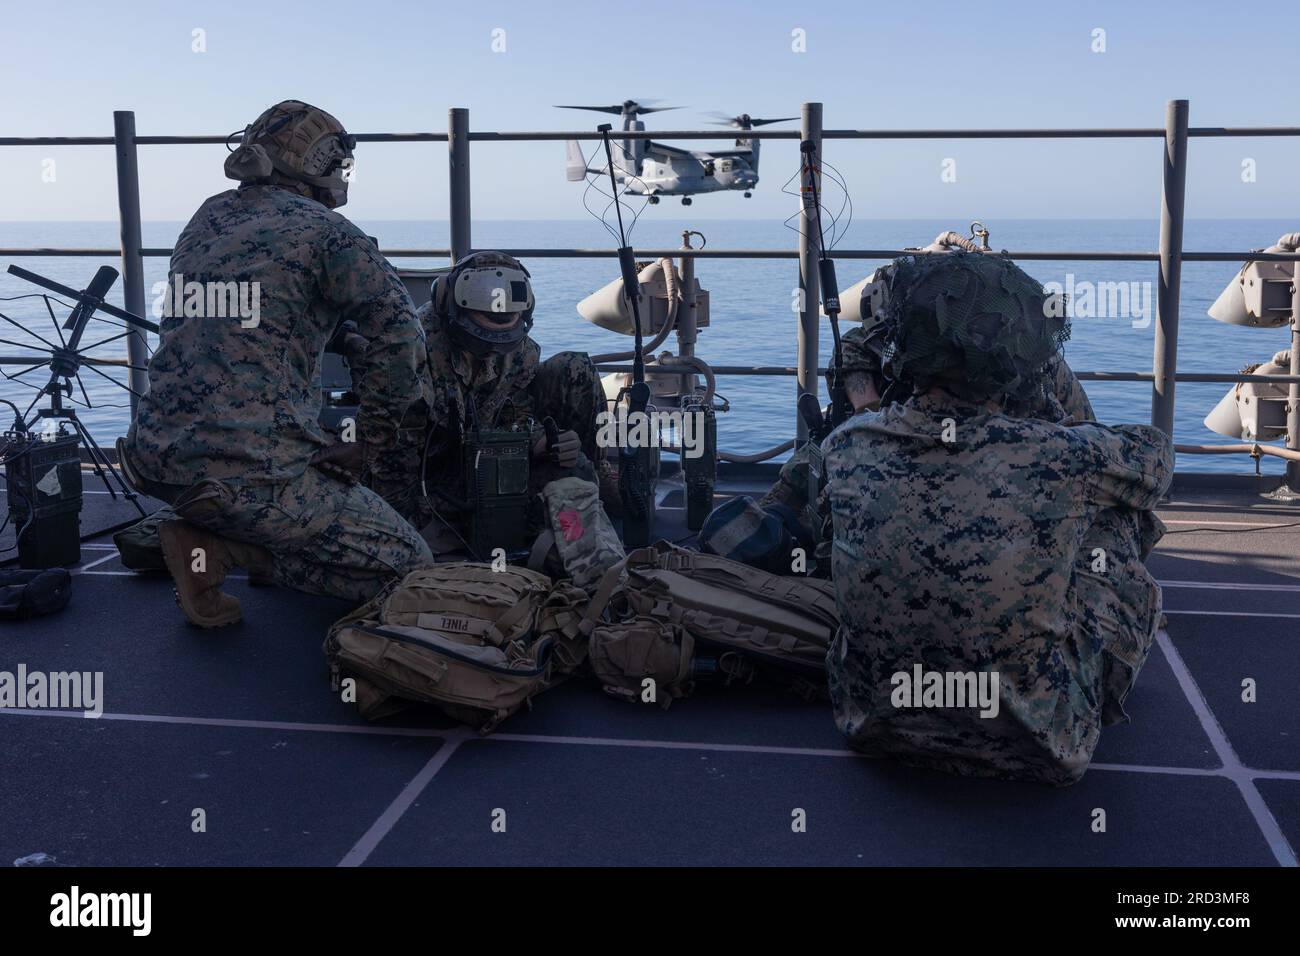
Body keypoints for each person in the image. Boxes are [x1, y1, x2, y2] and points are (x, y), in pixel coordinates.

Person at [824, 252, 1173, 785]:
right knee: (1118, 522)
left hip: (874, 724)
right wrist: (1053, 416)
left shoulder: (846, 446)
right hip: (1039, 746)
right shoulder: (1061, 457)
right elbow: (1155, 463)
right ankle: (1076, 694)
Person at [122, 100, 432, 628]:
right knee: (410, 567)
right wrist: (370, 442)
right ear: (322, 165)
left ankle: (207, 528)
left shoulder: (209, 216)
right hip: (254, 472)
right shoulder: (331, 232)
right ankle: (227, 551)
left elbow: (254, 324)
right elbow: (403, 341)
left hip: (155, 456)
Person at [368, 251, 607, 555]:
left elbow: (516, 408)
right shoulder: (412, 350)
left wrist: (539, 441)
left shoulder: (521, 351)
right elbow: (391, 452)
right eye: (483, 333)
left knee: (576, 367)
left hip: (489, 458)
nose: (493, 350)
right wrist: (404, 533)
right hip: (429, 471)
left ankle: (588, 502)